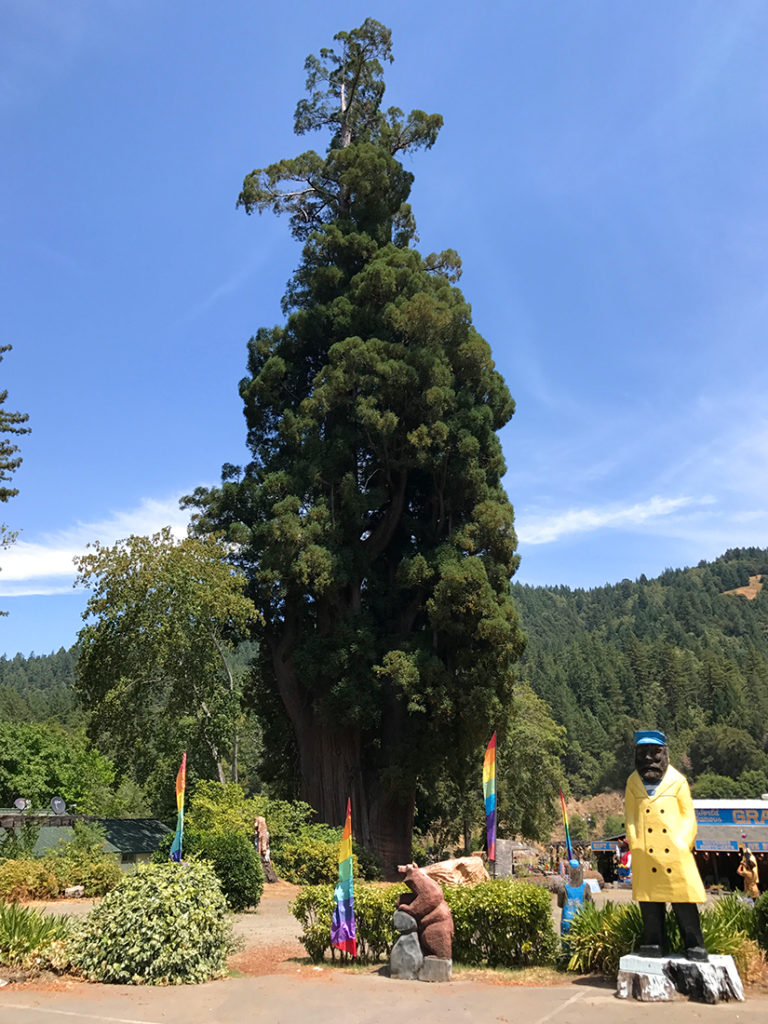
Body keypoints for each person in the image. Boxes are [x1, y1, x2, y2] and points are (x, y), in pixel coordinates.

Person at [624, 729, 708, 961]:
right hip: (646, 852)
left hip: (675, 853)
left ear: (665, 753)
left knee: (683, 901)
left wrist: (683, 842)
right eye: (643, 753)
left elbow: (688, 816)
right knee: (650, 902)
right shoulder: (632, 782)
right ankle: (653, 943)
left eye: (655, 753)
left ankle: (694, 945)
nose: (649, 758)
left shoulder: (678, 781)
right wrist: (635, 842)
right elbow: (630, 817)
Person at [557, 858, 592, 945]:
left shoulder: (563, 887)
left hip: (567, 920)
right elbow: (589, 904)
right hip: (581, 920)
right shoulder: (586, 886)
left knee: (566, 946)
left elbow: (560, 904)